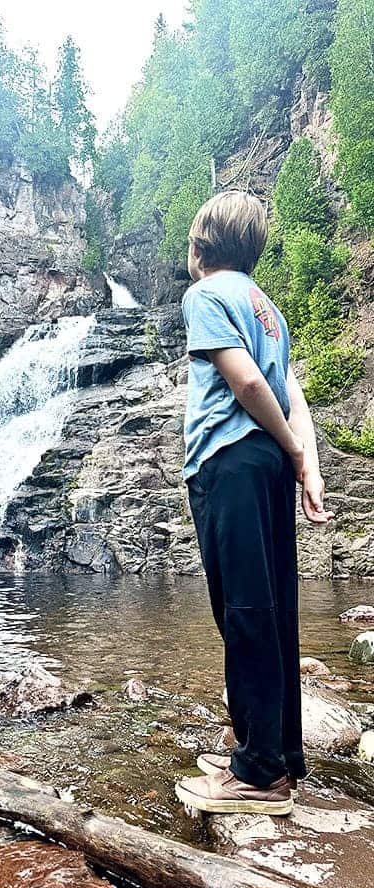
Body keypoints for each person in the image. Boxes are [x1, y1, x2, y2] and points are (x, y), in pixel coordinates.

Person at [174, 190, 334, 816]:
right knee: (270, 607)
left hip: (232, 460)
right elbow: (292, 392)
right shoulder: (267, 307)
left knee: (243, 608)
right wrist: (302, 461)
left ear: (199, 244)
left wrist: (295, 450)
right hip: (267, 461)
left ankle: (258, 776)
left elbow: (245, 381)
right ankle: (272, 749)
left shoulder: (205, 295)